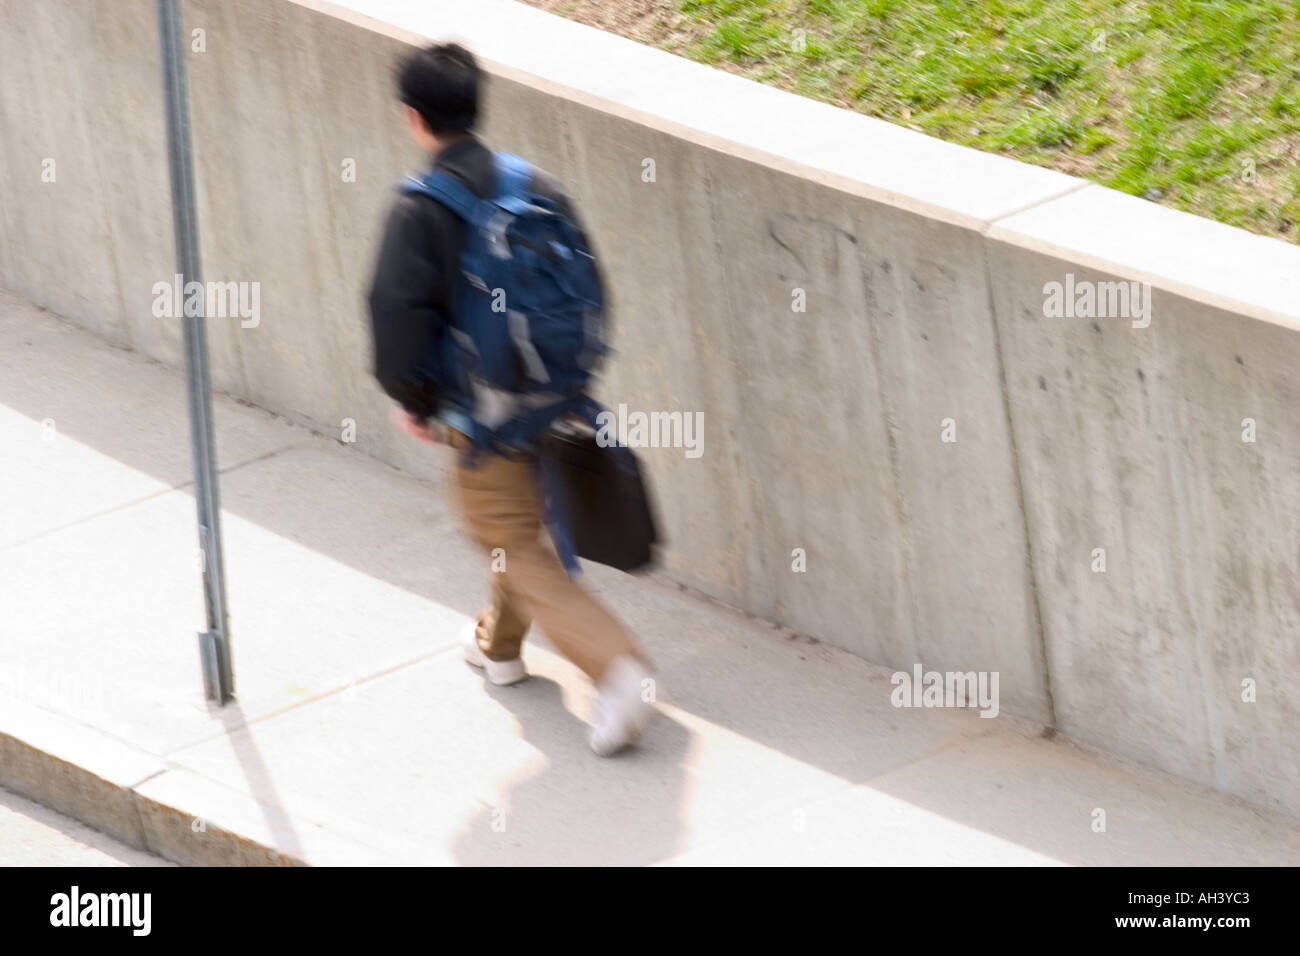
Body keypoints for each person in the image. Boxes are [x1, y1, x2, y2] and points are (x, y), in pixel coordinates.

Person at [367, 42, 655, 756]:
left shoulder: (421, 208)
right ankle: (498, 648)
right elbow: (593, 284)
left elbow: (394, 308)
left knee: (504, 533)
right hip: (556, 394)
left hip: (483, 413)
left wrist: (413, 398)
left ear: (413, 117)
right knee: (513, 524)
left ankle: (618, 668)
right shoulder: (537, 185)